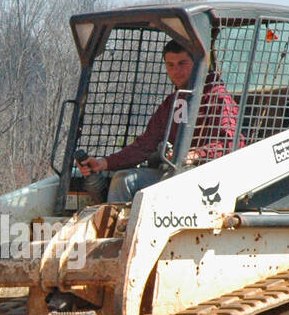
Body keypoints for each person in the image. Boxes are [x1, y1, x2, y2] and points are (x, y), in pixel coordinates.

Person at [80, 40, 239, 203]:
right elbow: (145, 144)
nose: (176, 71)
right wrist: (103, 163)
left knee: (168, 184)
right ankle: (117, 227)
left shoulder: (218, 98)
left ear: (199, 64)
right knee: (123, 180)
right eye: (170, 65)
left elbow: (231, 143)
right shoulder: (174, 101)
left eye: (182, 63)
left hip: (210, 178)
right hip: (178, 173)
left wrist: (195, 155)